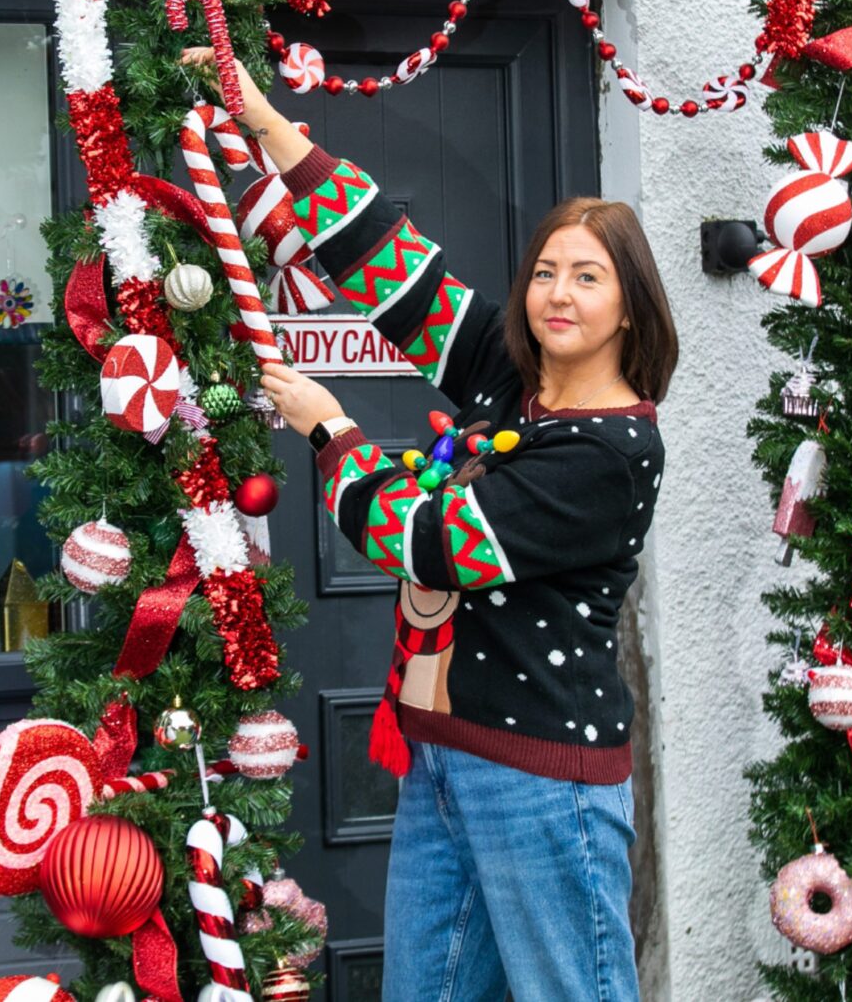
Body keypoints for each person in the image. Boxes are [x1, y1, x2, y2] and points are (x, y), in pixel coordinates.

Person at [182, 49, 678, 1002]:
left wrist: (330, 429)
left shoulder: (610, 453)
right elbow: (394, 266)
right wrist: (264, 122)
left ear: (628, 307)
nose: (558, 294)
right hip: (444, 758)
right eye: (545, 273)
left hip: (544, 782)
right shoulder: (513, 382)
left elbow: (424, 540)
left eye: (587, 278)